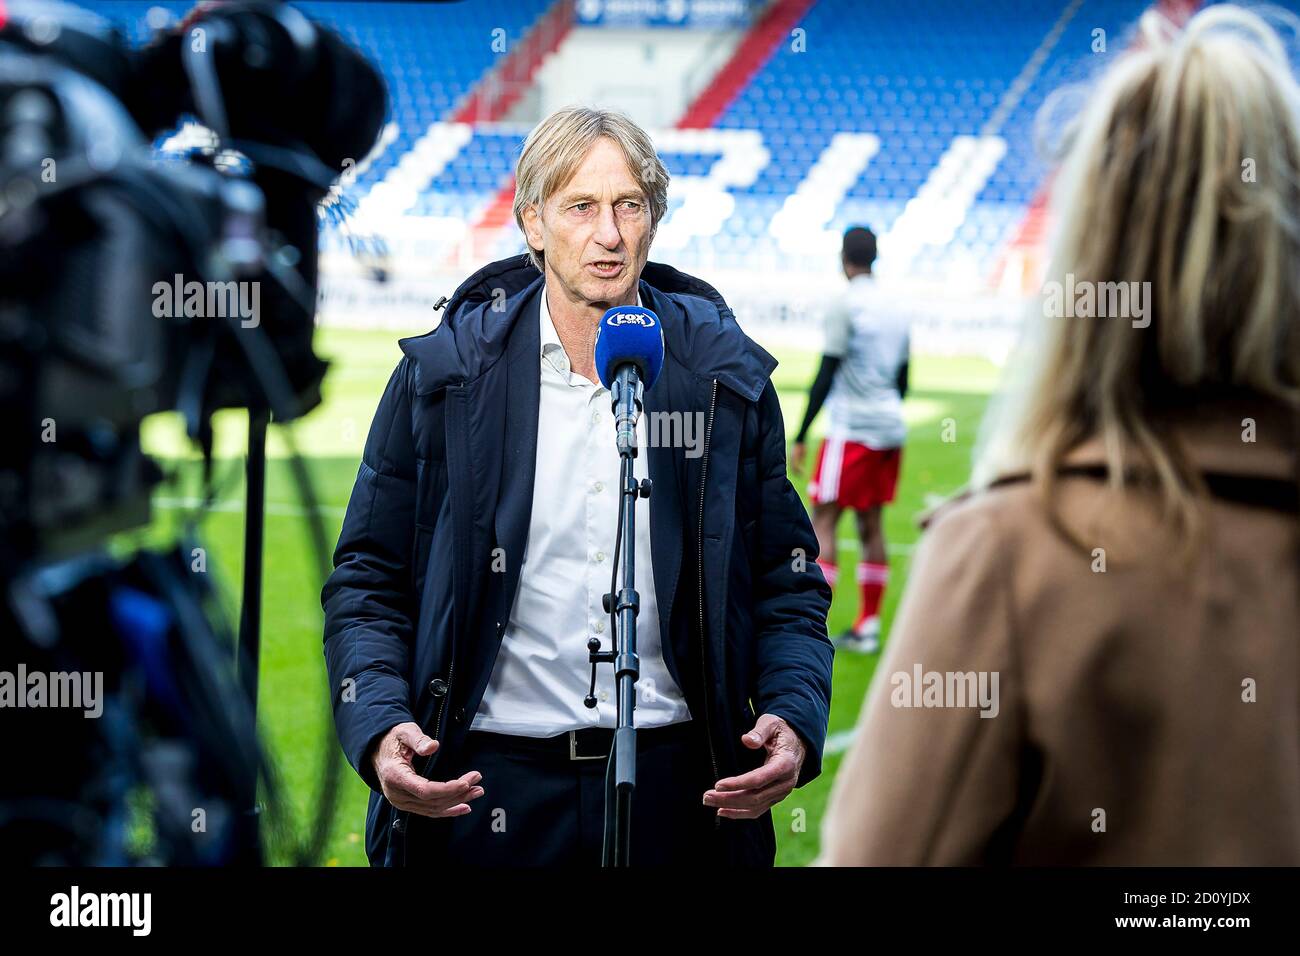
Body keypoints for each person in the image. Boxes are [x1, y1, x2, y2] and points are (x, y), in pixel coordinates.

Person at [817, 5, 1300, 865]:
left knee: (832, 528)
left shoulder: (1010, 556)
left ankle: (845, 618)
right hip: (886, 425)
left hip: (863, 432)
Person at [322, 106, 833, 867]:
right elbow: (368, 576)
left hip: (683, 794)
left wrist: (793, 712)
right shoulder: (444, 377)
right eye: (581, 207)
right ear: (533, 223)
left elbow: (785, 582)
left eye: (631, 205)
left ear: (654, 219)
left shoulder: (726, 382)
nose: (611, 234)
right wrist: (379, 722)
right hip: (483, 792)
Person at [791, 226, 909, 653]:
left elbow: (827, 370)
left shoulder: (845, 303)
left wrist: (802, 432)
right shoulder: (897, 306)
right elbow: (903, 378)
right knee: (871, 524)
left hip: (852, 430)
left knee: (823, 518)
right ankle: (869, 625)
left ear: (845, 259)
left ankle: (811, 628)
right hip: (890, 427)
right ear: (874, 258)